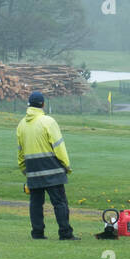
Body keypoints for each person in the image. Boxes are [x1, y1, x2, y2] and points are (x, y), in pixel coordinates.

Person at [16, 91, 77, 241]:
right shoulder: (48, 122)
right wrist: (66, 166)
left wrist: (25, 170)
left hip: (32, 171)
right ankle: (65, 233)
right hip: (53, 170)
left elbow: (20, 151)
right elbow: (59, 147)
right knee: (60, 203)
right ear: (43, 104)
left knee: (36, 204)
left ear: (29, 105)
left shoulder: (21, 125)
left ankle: (37, 233)